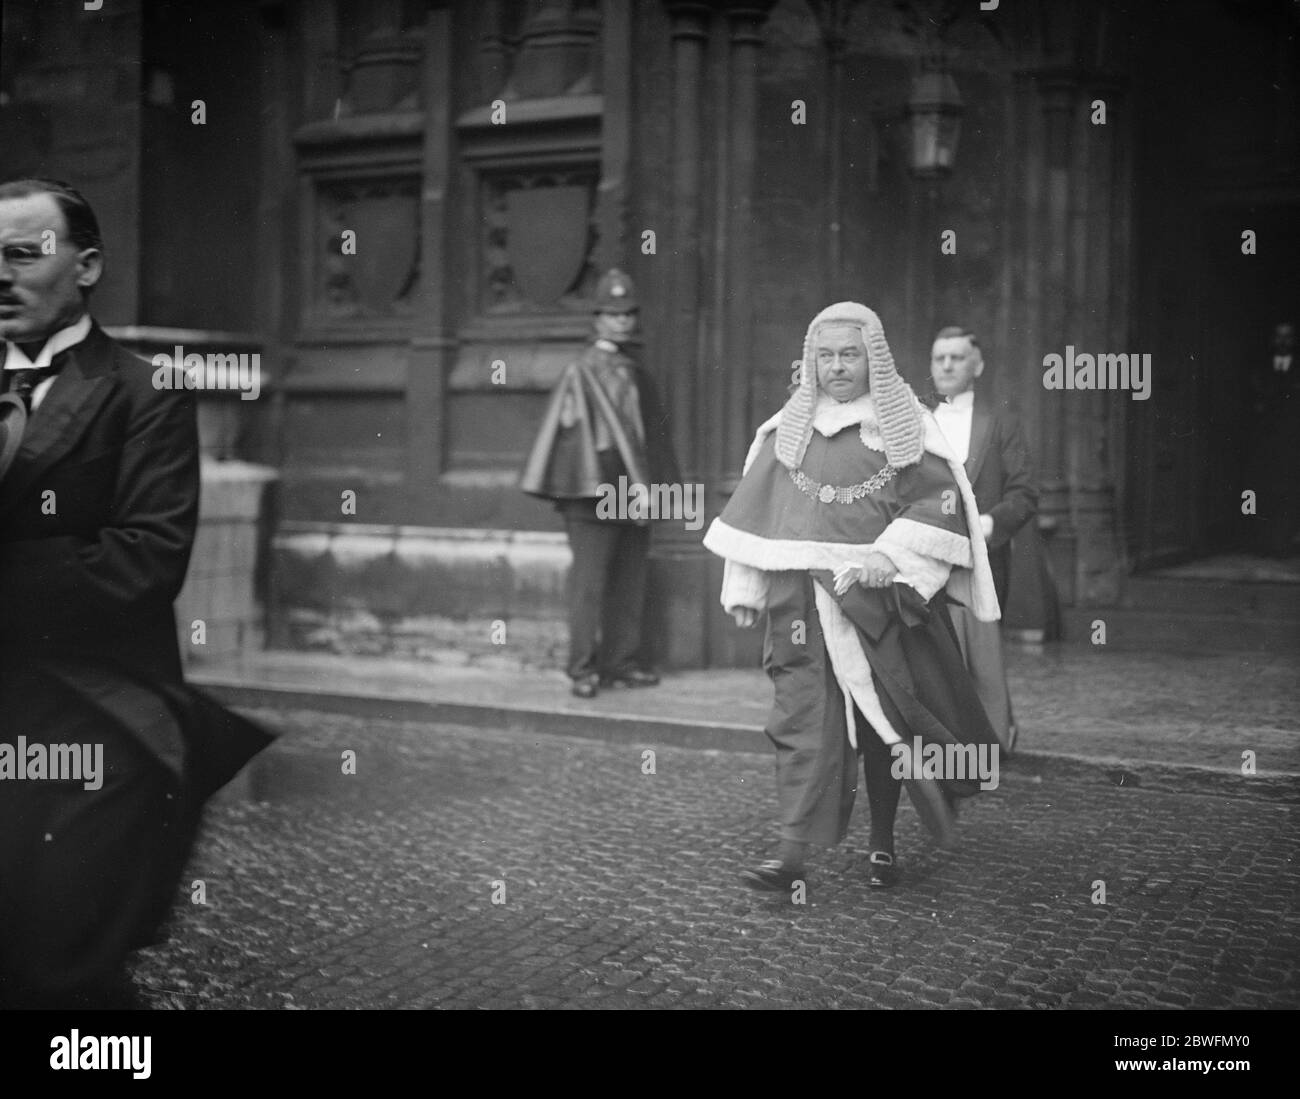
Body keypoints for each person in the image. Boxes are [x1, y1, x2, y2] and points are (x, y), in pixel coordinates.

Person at [0, 178, 272, 1009]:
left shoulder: (143, 391)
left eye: (22, 253)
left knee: (63, 959)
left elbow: (143, 559)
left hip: (95, 717)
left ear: (86, 267)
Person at [703, 302, 1001, 891]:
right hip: (798, 601)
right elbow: (755, 509)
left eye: (850, 354)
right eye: (826, 355)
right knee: (801, 719)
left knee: (884, 720)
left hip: (877, 596)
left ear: (873, 359)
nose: (837, 367)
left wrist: (887, 556)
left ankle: (883, 841)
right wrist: (745, 583)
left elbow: (938, 502)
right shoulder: (786, 428)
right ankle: (790, 853)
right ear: (810, 360)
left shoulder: (905, 425)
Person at [520, 268, 681, 699]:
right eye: (613, 313)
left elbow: (648, 439)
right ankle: (582, 669)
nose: (622, 320)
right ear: (597, 318)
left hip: (633, 495)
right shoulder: (583, 371)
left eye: (628, 313)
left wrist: (657, 492)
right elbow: (590, 443)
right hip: (594, 496)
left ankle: (620, 663)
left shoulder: (633, 370)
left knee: (630, 580)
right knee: (590, 585)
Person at [927, 326, 1037, 752]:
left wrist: (986, 527)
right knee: (936, 651)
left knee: (984, 653)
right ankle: (945, 741)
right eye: (940, 358)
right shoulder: (919, 421)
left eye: (957, 357)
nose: (948, 365)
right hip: (928, 556)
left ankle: (992, 742)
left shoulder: (1001, 422)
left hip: (983, 558)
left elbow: (1024, 492)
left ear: (977, 365)